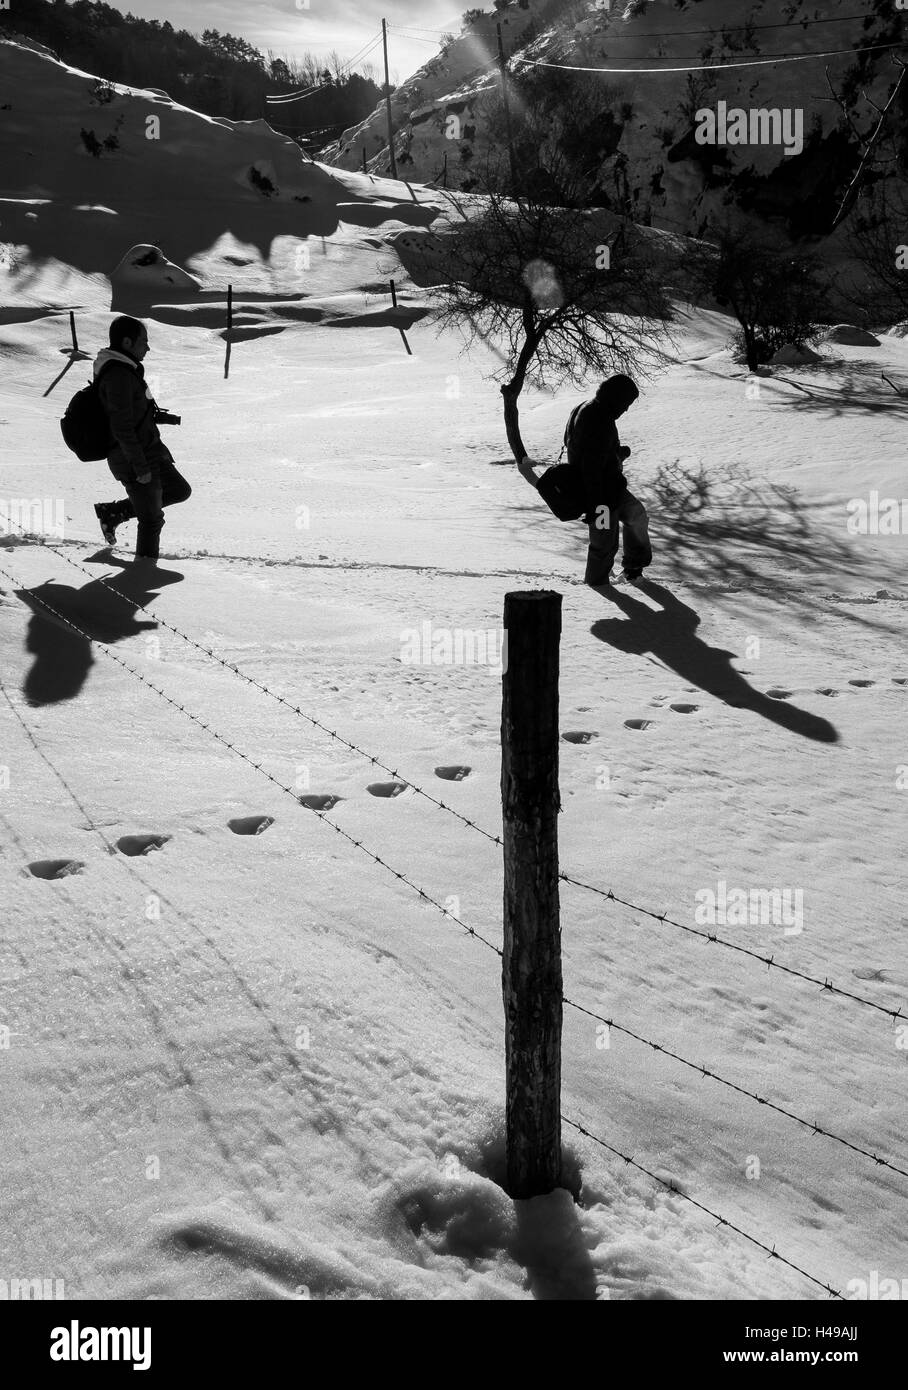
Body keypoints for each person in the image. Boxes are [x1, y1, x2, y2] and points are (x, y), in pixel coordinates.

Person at [93, 316, 191, 561]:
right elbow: (121, 426)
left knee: (179, 490)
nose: (147, 347)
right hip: (133, 457)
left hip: (149, 450)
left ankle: (115, 512)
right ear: (127, 342)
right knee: (151, 519)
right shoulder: (118, 375)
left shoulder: (128, 370)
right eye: (143, 342)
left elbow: (132, 413)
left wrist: (158, 417)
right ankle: (142, 577)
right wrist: (140, 467)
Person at [565, 374, 652, 587]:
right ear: (615, 398)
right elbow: (590, 466)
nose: (626, 409)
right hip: (599, 495)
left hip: (612, 488)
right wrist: (595, 505)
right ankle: (597, 586)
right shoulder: (596, 417)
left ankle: (633, 568)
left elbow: (593, 452)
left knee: (636, 515)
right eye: (626, 403)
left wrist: (617, 453)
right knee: (604, 543)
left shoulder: (593, 409)